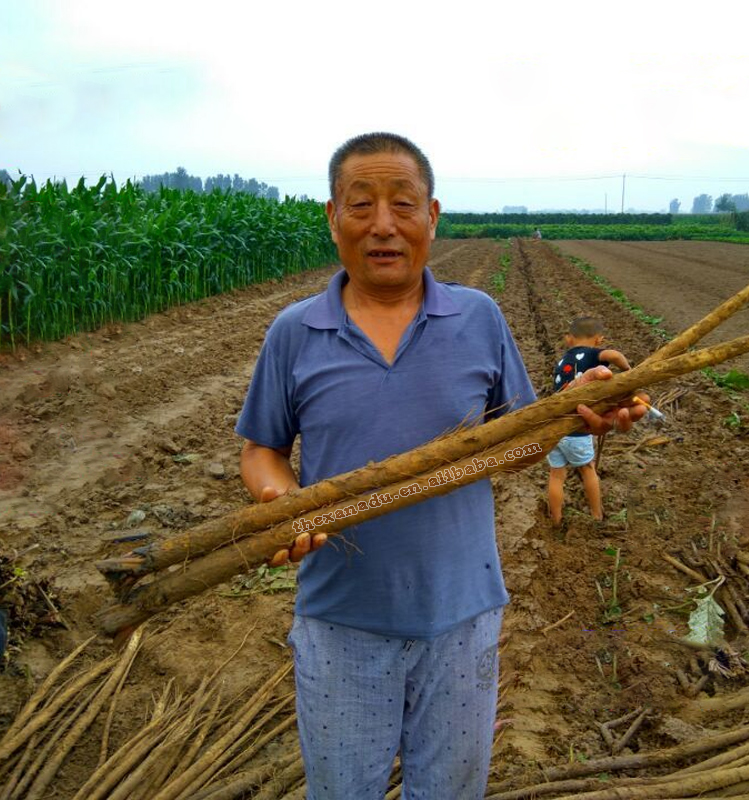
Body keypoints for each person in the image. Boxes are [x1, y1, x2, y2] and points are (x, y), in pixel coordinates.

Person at [236, 133, 645, 800]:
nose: (383, 225)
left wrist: (570, 415)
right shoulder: (294, 332)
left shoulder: (477, 319)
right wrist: (284, 501)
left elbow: (513, 450)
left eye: (403, 204)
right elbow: (261, 448)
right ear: (331, 217)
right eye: (361, 205)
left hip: (462, 617)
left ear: (432, 215)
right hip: (340, 619)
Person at [547, 316, 632, 527]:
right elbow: (614, 355)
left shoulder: (563, 360)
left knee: (556, 476)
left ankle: (555, 520)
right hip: (576, 427)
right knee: (588, 469)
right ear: (598, 339)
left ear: (569, 340)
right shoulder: (595, 354)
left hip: (554, 427)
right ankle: (597, 516)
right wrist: (629, 372)